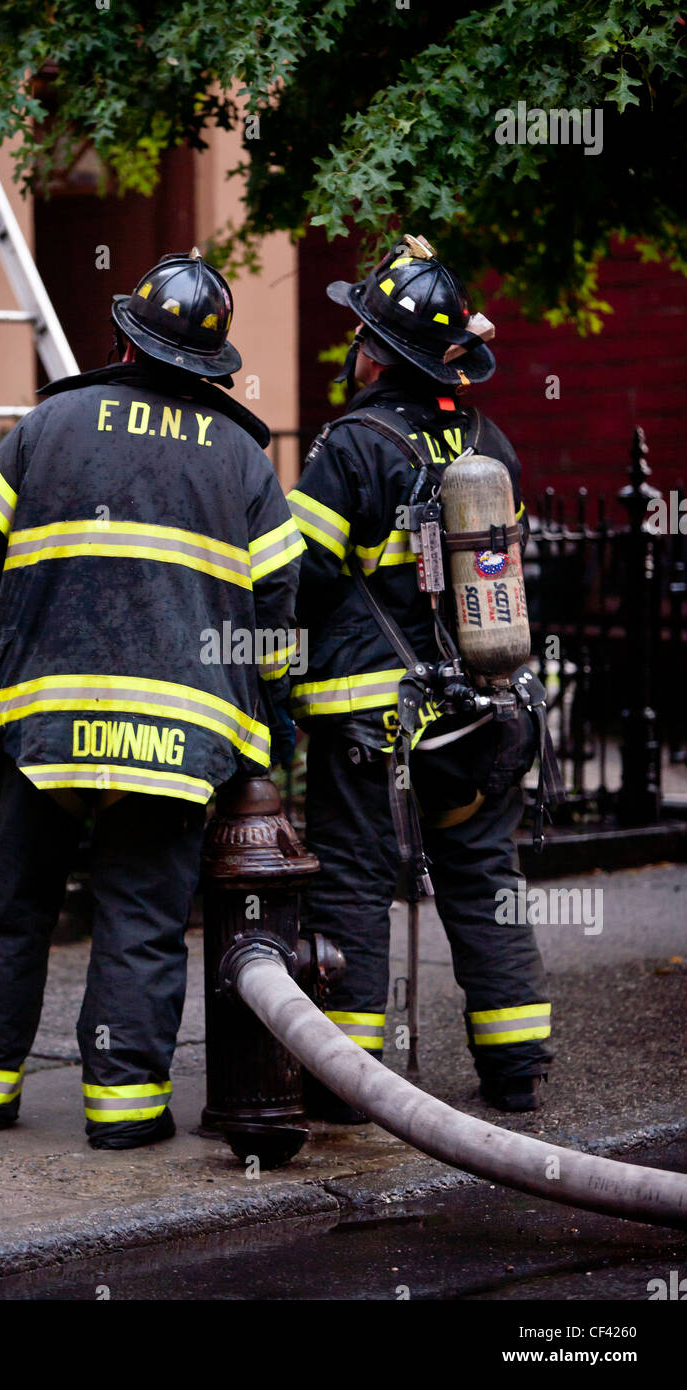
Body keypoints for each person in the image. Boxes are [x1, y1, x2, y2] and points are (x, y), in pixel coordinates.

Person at [0, 250, 304, 1150]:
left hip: (40, 720)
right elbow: (278, 616)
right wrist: (273, 721)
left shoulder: (48, 425)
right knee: (140, 917)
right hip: (179, 738)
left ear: (125, 342)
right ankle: (126, 1112)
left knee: (8, 903)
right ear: (211, 364)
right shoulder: (243, 465)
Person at [288, 234, 552, 1120]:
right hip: (486, 714)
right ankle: (516, 1068)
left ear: (375, 352)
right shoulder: (491, 440)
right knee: (484, 876)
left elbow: (302, 574)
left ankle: (349, 1086)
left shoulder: (354, 445)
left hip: (374, 717)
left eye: (360, 335)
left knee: (355, 885)